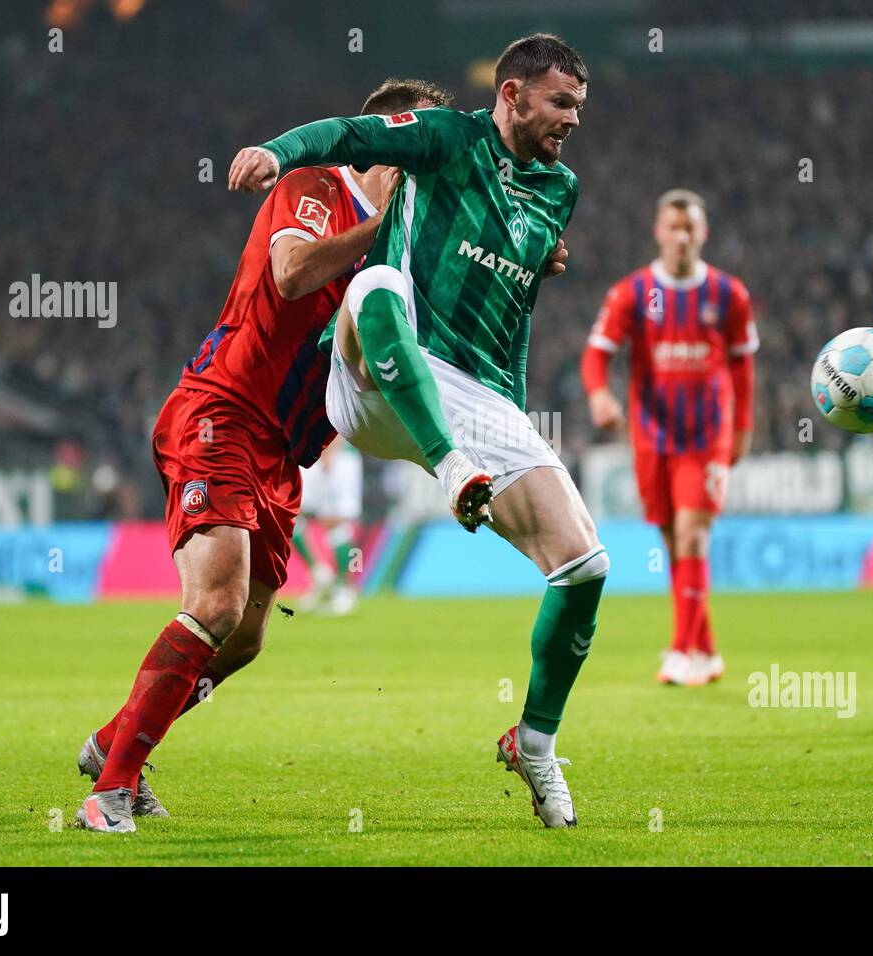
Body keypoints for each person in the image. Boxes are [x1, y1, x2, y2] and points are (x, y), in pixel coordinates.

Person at [228, 33, 602, 828]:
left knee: (584, 567)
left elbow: (518, 310)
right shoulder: (447, 137)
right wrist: (275, 149)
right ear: (511, 94)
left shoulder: (560, 190)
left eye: (578, 105)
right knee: (375, 282)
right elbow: (346, 134)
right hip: (374, 374)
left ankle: (535, 742)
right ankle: (448, 468)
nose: (573, 118)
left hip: (473, 394)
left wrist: (512, 407)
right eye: (560, 102)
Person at [74, 80, 452, 833]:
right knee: (213, 603)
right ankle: (109, 793)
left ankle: (113, 742)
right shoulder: (318, 185)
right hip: (220, 410)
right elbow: (290, 274)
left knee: (243, 638)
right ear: (386, 138)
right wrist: (383, 231)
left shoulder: (404, 243)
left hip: (282, 452)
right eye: (419, 147)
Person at [581, 189, 757, 686]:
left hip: (706, 435)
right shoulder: (633, 293)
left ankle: (681, 650)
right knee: (671, 538)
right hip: (652, 436)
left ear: (704, 234)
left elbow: (743, 365)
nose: (681, 236)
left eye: (690, 227)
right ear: (658, 232)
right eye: (673, 227)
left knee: (691, 535)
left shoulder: (728, 295)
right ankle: (707, 650)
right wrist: (598, 395)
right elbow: (597, 355)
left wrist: (742, 427)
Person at [293, 437, 364, 615]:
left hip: (338, 455)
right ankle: (319, 573)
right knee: (292, 515)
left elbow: (335, 412)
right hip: (309, 452)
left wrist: (331, 453)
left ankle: (343, 589)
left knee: (335, 521)